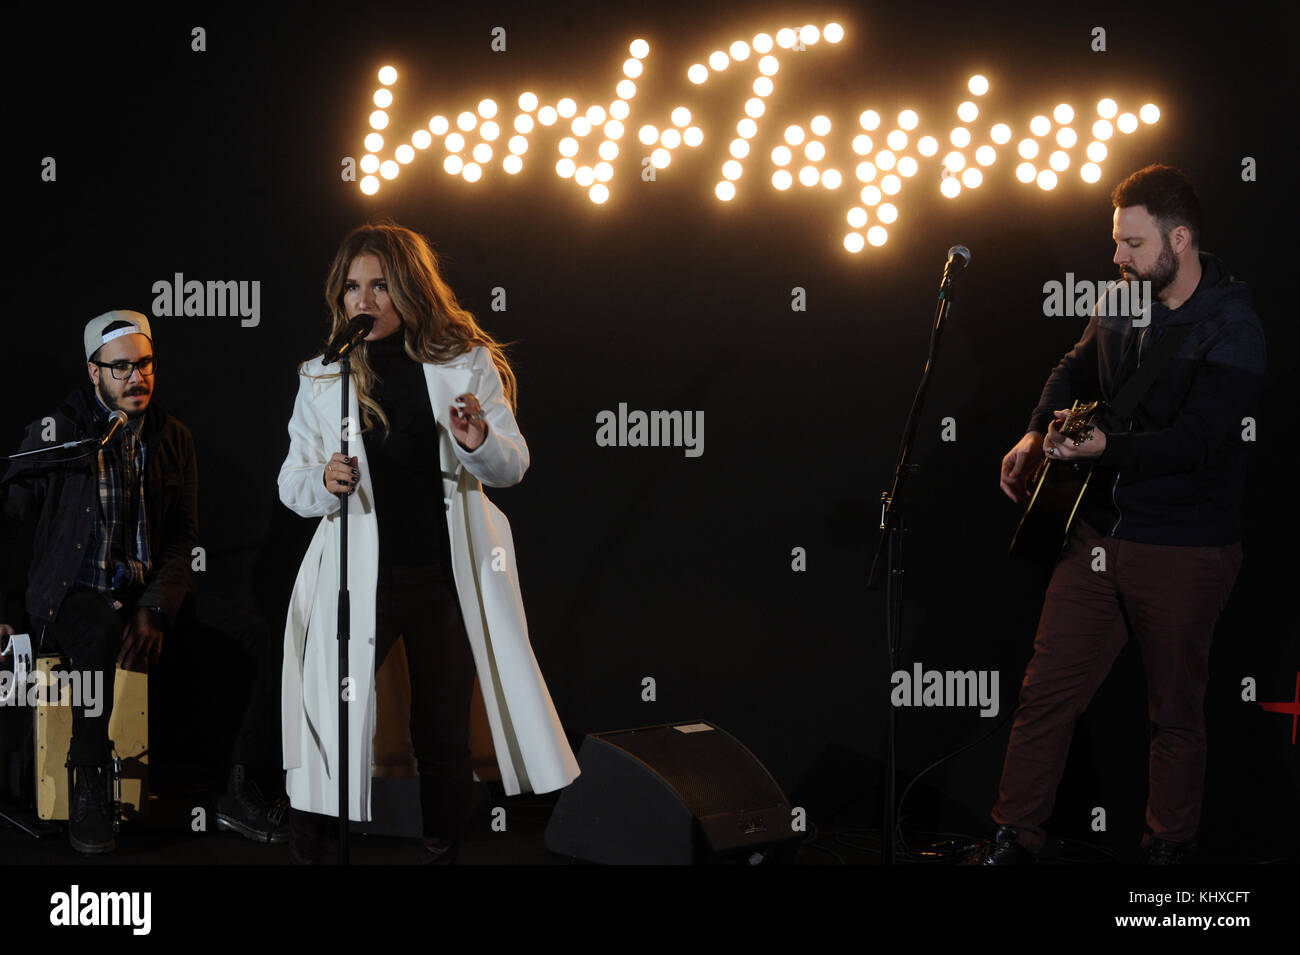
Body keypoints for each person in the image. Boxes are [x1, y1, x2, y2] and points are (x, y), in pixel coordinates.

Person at [981, 165, 1267, 864]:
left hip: (1185, 546)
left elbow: (1195, 442)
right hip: (1097, 535)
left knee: (1174, 711)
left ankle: (1167, 850)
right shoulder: (1120, 297)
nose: (1118, 258)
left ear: (1180, 238)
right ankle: (1013, 838)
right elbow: (1072, 369)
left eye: (1132, 244)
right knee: (1045, 694)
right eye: (1116, 242)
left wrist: (1107, 446)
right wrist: (1033, 428)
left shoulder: (1233, 324)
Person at [277, 222, 580, 864]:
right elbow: (290, 484)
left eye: (381, 285)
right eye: (354, 287)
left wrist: (476, 441)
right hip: (357, 577)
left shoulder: (463, 362)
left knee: (441, 731)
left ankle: (444, 847)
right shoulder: (323, 377)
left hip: (444, 576)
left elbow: (512, 465)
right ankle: (315, 853)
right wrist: (323, 480)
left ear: (410, 289)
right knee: (331, 722)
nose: (365, 300)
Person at [0, 310, 288, 853]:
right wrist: (8, 606)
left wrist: (155, 606)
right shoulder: (58, 433)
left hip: (142, 594)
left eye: (145, 364)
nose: (136, 378)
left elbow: (181, 540)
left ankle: (240, 786)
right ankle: (88, 783)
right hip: (72, 596)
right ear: (94, 373)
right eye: (121, 368)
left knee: (258, 637)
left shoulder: (172, 437)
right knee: (99, 635)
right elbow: (12, 524)